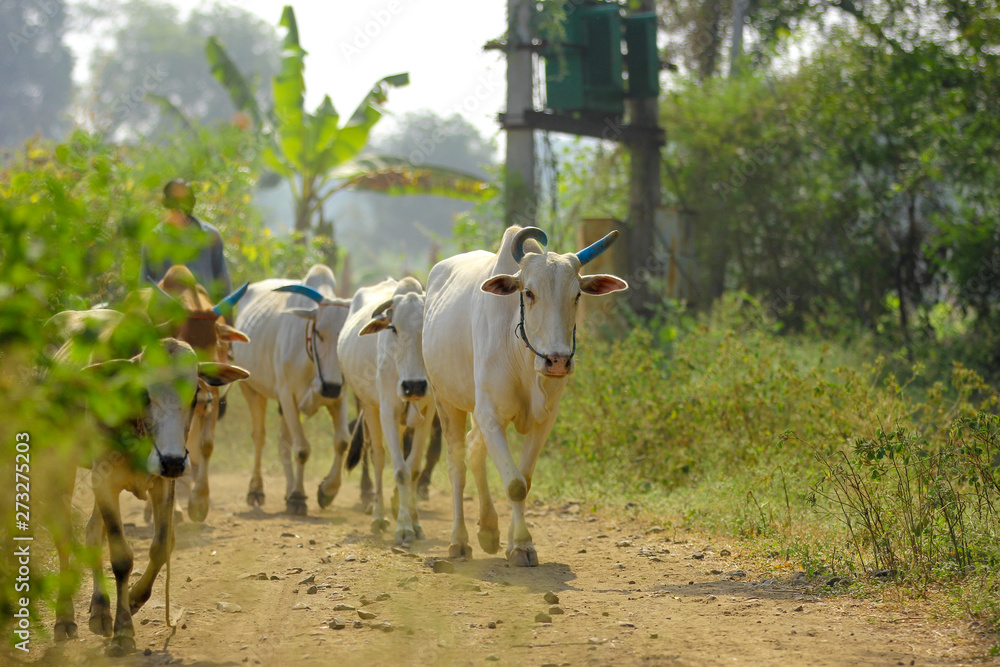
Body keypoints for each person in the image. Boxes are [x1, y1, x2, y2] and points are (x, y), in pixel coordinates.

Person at [140, 178, 232, 302]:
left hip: (205, 314)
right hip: (168, 315)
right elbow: (146, 285)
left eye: (186, 200)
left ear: (194, 201)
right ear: (165, 202)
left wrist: (226, 318)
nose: (181, 206)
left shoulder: (210, 236)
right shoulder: (154, 239)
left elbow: (222, 284)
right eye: (175, 201)